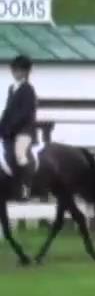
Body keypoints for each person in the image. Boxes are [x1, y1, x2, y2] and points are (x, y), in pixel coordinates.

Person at [1, 55, 37, 199]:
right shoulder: (11, 88)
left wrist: (11, 127)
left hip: (24, 131)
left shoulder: (28, 89)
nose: (15, 73)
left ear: (26, 72)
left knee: (20, 154)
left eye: (19, 70)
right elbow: (8, 110)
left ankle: (25, 186)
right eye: (14, 70)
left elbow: (24, 113)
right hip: (11, 130)